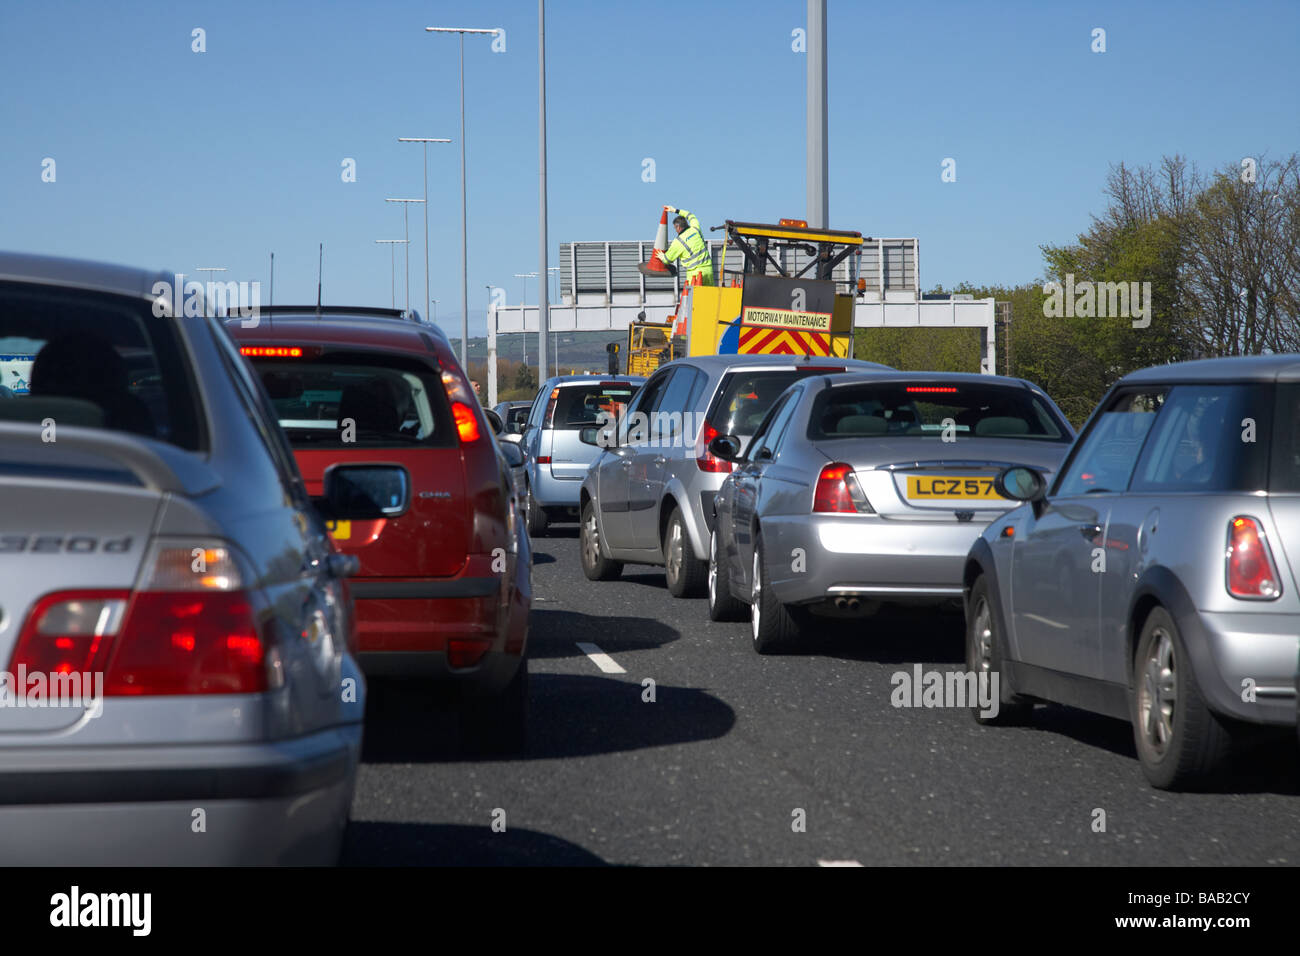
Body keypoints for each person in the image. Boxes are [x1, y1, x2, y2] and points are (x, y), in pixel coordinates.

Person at [662, 206, 714, 286]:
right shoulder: (695, 228)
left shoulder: (678, 242)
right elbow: (690, 215)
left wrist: (660, 255)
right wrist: (675, 210)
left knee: (693, 297)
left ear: (678, 227)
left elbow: (667, 260)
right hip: (708, 270)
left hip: (694, 274)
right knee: (710, 296)